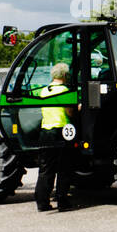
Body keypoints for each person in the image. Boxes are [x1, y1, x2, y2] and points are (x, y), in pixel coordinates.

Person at [35, 62, 76, 212]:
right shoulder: (65, 91)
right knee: (64, 168)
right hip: (62, 131)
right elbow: (70, 112)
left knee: (46, 169)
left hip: (45, 132)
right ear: (65, 75)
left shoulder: (44, 91)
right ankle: (62, 201)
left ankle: (42, 202)